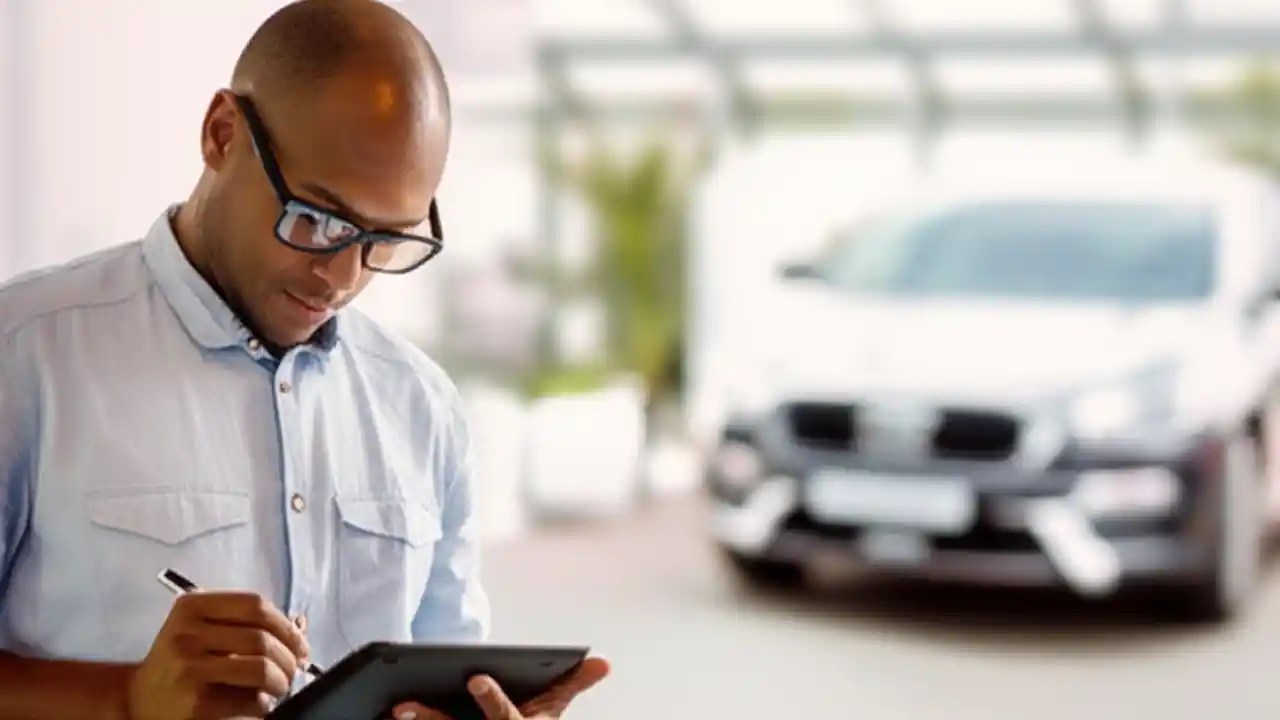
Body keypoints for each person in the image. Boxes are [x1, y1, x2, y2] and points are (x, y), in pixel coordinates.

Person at [0, 1, 609, 718]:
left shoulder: (423, 408)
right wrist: (125, 700)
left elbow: (447, 664)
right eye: (317, 220)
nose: (343, 277)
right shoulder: (27, 355)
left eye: (386, 240)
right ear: (221, 134)